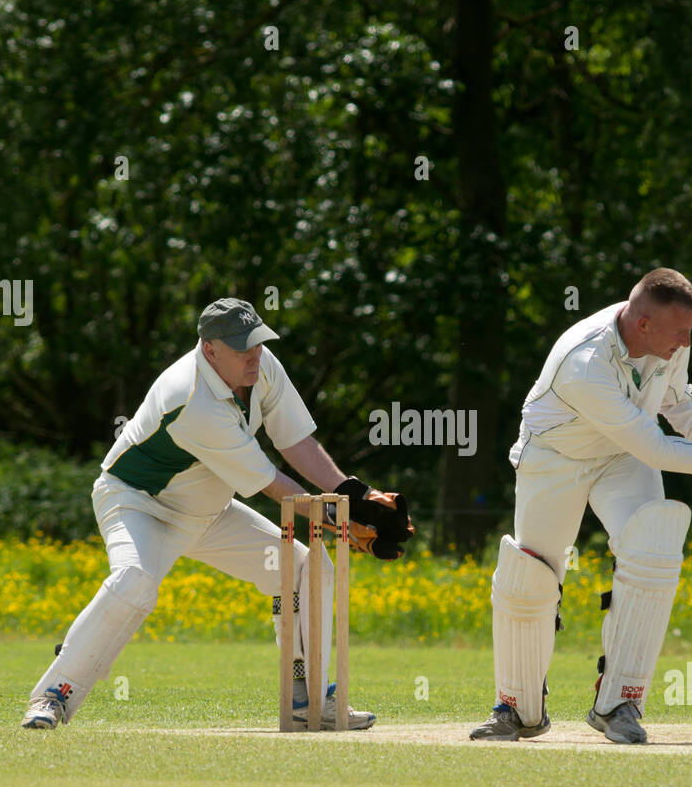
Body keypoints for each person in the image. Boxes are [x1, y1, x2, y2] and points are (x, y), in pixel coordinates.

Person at [22, 298, 414, 730]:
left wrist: (351, 493)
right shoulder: (190, 398)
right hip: (138, 504)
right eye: (242, 348)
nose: (255, 355)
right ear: (210, 350)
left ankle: (308, 697)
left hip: (209, 515)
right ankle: (53, 695)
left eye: (258, 343)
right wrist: (340, 520)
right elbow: (269, 481)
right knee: (136, 584)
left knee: (307, 566)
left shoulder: (261, 366)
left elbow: (295, 441)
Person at [469, 268, 692, 744]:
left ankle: (620, 702)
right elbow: (656, 448)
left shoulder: (671, 342)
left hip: (621, 456)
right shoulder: (587, 362)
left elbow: (678, 402)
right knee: (531, 575)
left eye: (690, 331)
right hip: (555, 456)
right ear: (643, 323)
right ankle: (516, 708)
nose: (687, 341)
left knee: (653, 550)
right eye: (680, 332)